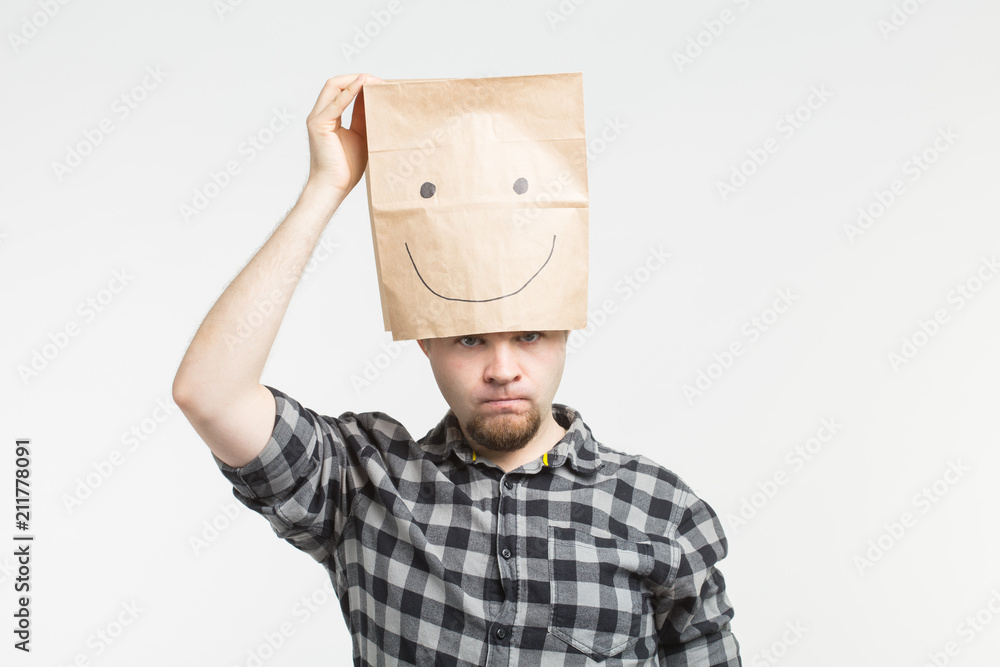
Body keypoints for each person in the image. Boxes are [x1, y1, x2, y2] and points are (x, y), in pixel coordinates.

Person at [173, 72, 742, 666]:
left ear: (566, 329)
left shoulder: (658, 508)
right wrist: (326, 186)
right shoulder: (363, 483)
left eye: (529, 336)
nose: (502, 368)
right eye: (470, 340)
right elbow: (209, 392)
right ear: (426, 343)